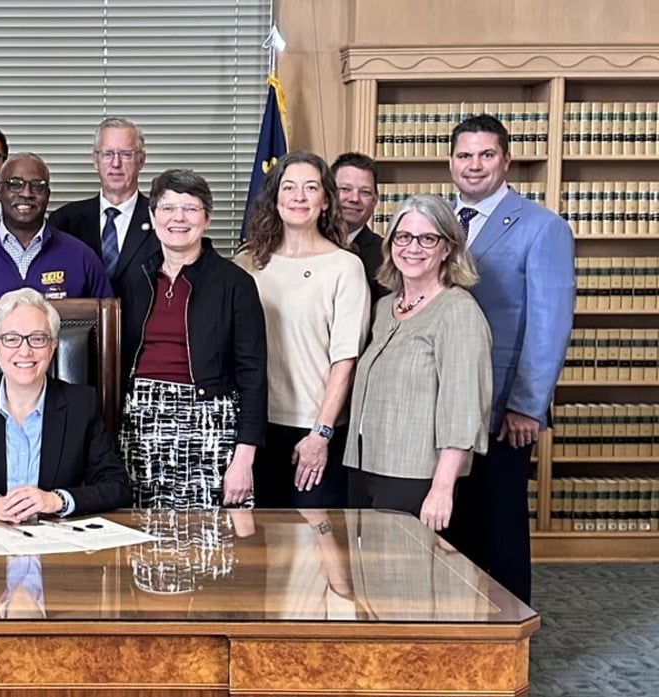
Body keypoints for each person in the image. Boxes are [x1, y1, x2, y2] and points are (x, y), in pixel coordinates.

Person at [447, 114, 575, 603]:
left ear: (506, 160)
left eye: (485, 155)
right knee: (450, 521)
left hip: (504, 408)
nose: (474, 166)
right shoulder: (434, 220)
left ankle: (506, 633)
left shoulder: (543, 228)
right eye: (464, 155)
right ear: (450, 161)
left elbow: (550, 323)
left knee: (498, 528)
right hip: (443, 403)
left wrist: (527, 404)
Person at [117, 169, 267, 509]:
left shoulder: (235, 284)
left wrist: (244, 459)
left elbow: (253, 376)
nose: (178, 218)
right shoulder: (132, 279)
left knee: (210, 546)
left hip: (209, 423)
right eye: (168, 208)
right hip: (140, 422)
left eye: (190, 208)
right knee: (141, 545)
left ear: (207, 219)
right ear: (153, 217)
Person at [344, 194, 492, 533]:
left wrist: (442, 487)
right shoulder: (385, 308)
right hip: (364, 466)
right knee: (365, 575)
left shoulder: (458, 311)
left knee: (405, 580)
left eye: (428, 238)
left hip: (416, 476)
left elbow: (463, 409)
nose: (413, 247)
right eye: (403, 236)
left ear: (448, 248)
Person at [0, 288, 131, 521]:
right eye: (11, 339)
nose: (25, 351)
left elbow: (117, 487)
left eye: (37, 338)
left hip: (55, 544)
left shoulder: (82, 404)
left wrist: (56, 500)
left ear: (53, 346)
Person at [236, 151, 370, 509]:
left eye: (310, 188)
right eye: (289, 187)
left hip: (313, 430)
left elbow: (346, 361)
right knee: (257, 549)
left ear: (326, 201)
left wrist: (320, 433)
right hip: (254, 427)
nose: (298, 197)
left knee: (311, 553)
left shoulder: (345, 267)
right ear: (274, 198)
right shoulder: (248, 263)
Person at [0, 153, 111, 300]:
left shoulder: (81, 258)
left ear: (48, 195)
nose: (26, 193)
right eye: (15, 184)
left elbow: (105, 327)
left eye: (37, 186)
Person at [49, 117, 160, 281]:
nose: (116, 163)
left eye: (126, 154)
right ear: (95, 160)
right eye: (107, 154)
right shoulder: (65, 221)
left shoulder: (160, 219)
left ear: (141, 161)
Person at [329, 151, 388, 304]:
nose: (354, 199)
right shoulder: (306, 245)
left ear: (375, 200)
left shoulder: (386, 256)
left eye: (365, 192)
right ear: (328, 193)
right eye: (345, 189)